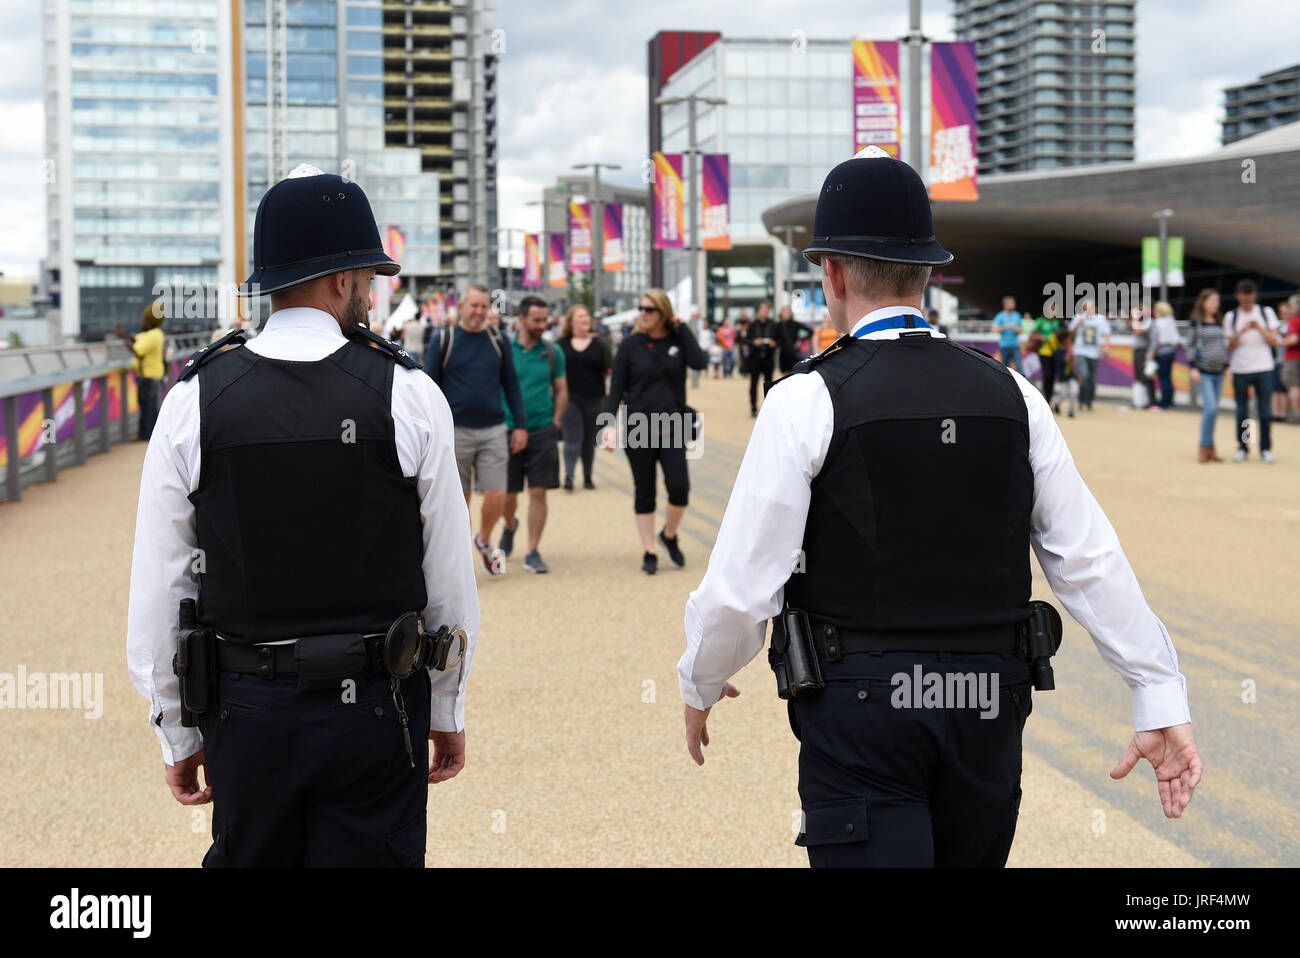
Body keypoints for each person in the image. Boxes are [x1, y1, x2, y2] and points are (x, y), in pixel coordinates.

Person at [677, 149, 1200, 868]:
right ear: (925, 273)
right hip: (988, 702)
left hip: (861, 707)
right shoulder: (1014, 394)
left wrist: (702, 679)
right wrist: (1157, 691)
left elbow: (742, 587)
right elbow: (1087, 559)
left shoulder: (805, 399)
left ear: (833, 273)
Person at [126, 165, 479, 867]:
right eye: (368, 277)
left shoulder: (193, 399)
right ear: (342, 280)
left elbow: (161, 588)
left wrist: (176, 732)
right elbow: (447, 575)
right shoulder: (409, 394)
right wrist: (447, 706)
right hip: (380, 709)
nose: (370, 293)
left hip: (246, 711)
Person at [601, 289, 707, 574]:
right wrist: (608, 425)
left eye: (649, 309)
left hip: (674, 426)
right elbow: (615, 390)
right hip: (638, 428)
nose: (643, 314)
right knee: (644, 490)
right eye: (641, 308)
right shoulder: (629, 345)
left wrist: (682, 328)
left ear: (663, 312)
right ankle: (649, 550)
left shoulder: (678, 340)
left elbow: (700, 362)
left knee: (679, 488)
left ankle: (669, 536)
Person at [425, 283, 528, 576]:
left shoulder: (498, 340)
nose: (479, 311)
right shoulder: (443, 340)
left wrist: (520, 425)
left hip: (493, 428)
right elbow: (428, 387)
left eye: (484, 306)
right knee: (461, 501)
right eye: (474, 305)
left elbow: (511, 385)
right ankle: (461, 561)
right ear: (461, 307)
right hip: (454, 432)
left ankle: (483, 539)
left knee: (497, 494)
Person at [500, 295, 567, 573]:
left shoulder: (552, 351)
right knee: (507, 494)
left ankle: (533, 550)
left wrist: (555, 422)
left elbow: (562, 390)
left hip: (542, 430)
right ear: (522, 319)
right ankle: (510, 524)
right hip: (508, 430)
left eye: (545, 320)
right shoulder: (504, 349)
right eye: (537, 320)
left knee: (539, 492)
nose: (543, 325)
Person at [1224, 278, 1282, 463]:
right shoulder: (1231, 316)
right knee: (1243, 411)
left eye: (1249, 298)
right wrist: (1240, 332)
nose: (1247, 302)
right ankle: (1243, 447)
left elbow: (1274, 341)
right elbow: (1230, 346)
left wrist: (1260, 329)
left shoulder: (1266, 313)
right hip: (1241, 368)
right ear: (1238, 296)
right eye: (1243, 299)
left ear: (1254, 296)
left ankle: (1265, 448)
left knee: (1264, 411)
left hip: (1264, 368)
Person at [557, 304, 609, 491]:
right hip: (569, 398)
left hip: (595, 397)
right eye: (580, 316)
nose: (585, 318)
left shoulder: (600, 344)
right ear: (571, 321)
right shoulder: (560, 344)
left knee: (589, 439)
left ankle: (588, 476)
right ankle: (569, 475)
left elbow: (610, 369)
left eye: (587, 315)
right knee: (572, 438)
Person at [1186, 288, 1229, 462]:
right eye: (1212, 301)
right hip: (1203, 371)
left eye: (1217, 301)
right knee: (1210, 408)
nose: (1215, 304)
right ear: (1203, 302)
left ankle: (1211, 446)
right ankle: (1203, 446)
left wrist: (1226, 366)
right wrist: (1193, 368)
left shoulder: (1219, 321)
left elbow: (1222, 346)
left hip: (1219, 371)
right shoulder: (1196, 322)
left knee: (1214, 411)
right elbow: (1189, 345)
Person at [114, 301, 166, 441]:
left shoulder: (153, 335)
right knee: (150, 406)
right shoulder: (153, 334)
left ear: (150, 322)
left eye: (144, 320)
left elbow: (137, 350)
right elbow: (136, 339)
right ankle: (151, 433)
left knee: (147, 407)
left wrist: (123, 339)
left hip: (149, 376)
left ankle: (145, 434)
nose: (141, 322)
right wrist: (124, 335)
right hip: (152, 376)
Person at [1069, 300, 1110, 410]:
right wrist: (1078, 325)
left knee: (1092, 379)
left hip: (1095, 353)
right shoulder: (1078, 317)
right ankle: (1081, 400)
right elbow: (1070, 334)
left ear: (1095, 308)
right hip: (1081, 351)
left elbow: (1107, 334)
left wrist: (1107, 346)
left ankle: (1089, 401)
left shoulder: (1101, 319)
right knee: (1084, 376)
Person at [745, 302, 778, 417]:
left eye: (766, 309)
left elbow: (779, 340)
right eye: (762, 309)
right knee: (753, 384)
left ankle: (768, 409)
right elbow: (746, 340)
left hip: (768, 359)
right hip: (755, 359)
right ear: (758, 311)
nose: (764, 312)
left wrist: (774, 343)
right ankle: (753, 408)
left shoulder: (773, 325)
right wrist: (754, 342)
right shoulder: (752, 325)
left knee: (769, 385)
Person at [1028, 303, 1061, 404]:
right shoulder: (1040, 321)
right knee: (1047, 375)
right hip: (1044, 351)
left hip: (1055, 352)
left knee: (1052, 377)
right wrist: (1040, 337)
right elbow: (1031, 336)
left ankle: (1049, 398)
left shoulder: (1057, 322)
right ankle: (1046, 399)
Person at [1151, 301, 1181, 409]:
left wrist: (1151, 353)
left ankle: (1164, 402)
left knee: (1163, 379)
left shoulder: (1157, 323)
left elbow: (1155, 341)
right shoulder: (1170, 321)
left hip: (1161, 353)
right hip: (1171, 352)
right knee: (1168, 378)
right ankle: (1169, 401)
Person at [1128, 306, 1155, 409]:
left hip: (1144, 351)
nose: (1141, 310)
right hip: (1138, 351)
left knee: (1146, 377)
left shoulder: (1149, 321)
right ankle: (1139, 401)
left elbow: (1138, 331)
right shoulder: (1141, 321)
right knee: (1138, 376)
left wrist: (1135, 318)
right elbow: (1132, 328)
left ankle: (1150, 402)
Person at [776, 304, 813, 374]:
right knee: (784, 375)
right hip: (783, 354)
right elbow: (776, 339)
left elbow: (810, 331)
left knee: (794, 373)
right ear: (781, 313)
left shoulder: (795, 324)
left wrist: (800, 340)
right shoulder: (778, 325)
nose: (787, 313)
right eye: (785, 311)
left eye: (788, 311)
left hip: (794, 353)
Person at [1282, 293, 1300, 422]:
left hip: (1293, 358)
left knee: (1294, 386)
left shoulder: (1294, 320)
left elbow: (1293, 339)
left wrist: (1279, 342)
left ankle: (1297, 414)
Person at [992, 295, 1022, 371]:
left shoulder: (1017, 315)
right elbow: (994, 329)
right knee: (1005, 369)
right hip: (1004, 346)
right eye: (1011, 303)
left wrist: (1015, 328)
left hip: (1015, 346)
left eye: (1013, 303)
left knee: (1020, 367)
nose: (1013, 305)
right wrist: (1005, 326)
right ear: (1005, 304)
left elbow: (1021, 330)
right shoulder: (1000, 315)